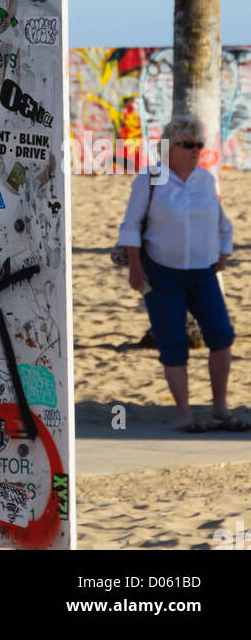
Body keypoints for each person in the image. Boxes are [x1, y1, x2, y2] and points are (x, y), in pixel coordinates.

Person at [117, 113, 248, 434]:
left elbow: (222, 223)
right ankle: (184, 415)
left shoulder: (205, 179)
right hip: (162, 275)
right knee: (173, 344)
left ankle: (220, 408)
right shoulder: (151, 179)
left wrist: (223, 254)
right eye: (188, 144)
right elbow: (130, 226)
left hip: (203, 274)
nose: (196, 150)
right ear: (169, 148)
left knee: (222, 338)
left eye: (199, 144)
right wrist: (135, 266)